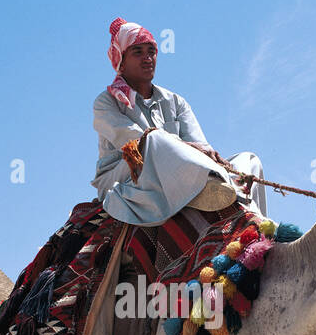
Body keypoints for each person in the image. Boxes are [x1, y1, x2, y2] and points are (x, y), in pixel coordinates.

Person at [92, 18, 267, 226]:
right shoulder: (106, 102)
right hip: (127, 177)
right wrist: (185, 147)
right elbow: (136, 145)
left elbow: (200, 145)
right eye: (138, 52)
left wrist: (214, 159)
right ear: (121, 61)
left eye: (151, 51)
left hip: (182, 172)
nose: (147, 58)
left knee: (250, 161)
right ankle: (212, 185)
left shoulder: (175, 101)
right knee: (154, 139)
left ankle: (254, 219)